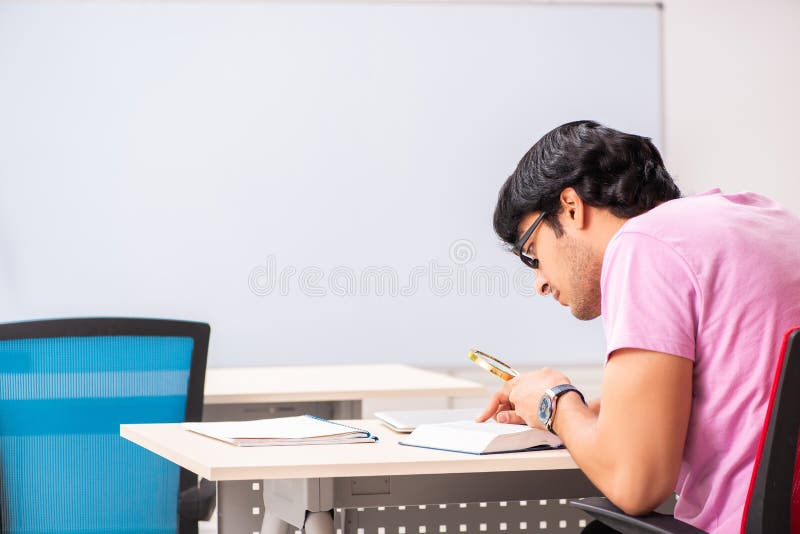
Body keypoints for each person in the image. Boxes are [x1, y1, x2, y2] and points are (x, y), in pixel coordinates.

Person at [477, 120, 800, 533]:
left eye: (531, 252)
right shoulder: (765, 217)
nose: (539, 281)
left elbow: (637, 484)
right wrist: (592, 413)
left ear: (572, 208)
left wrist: (554, 403)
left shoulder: (644, 244)